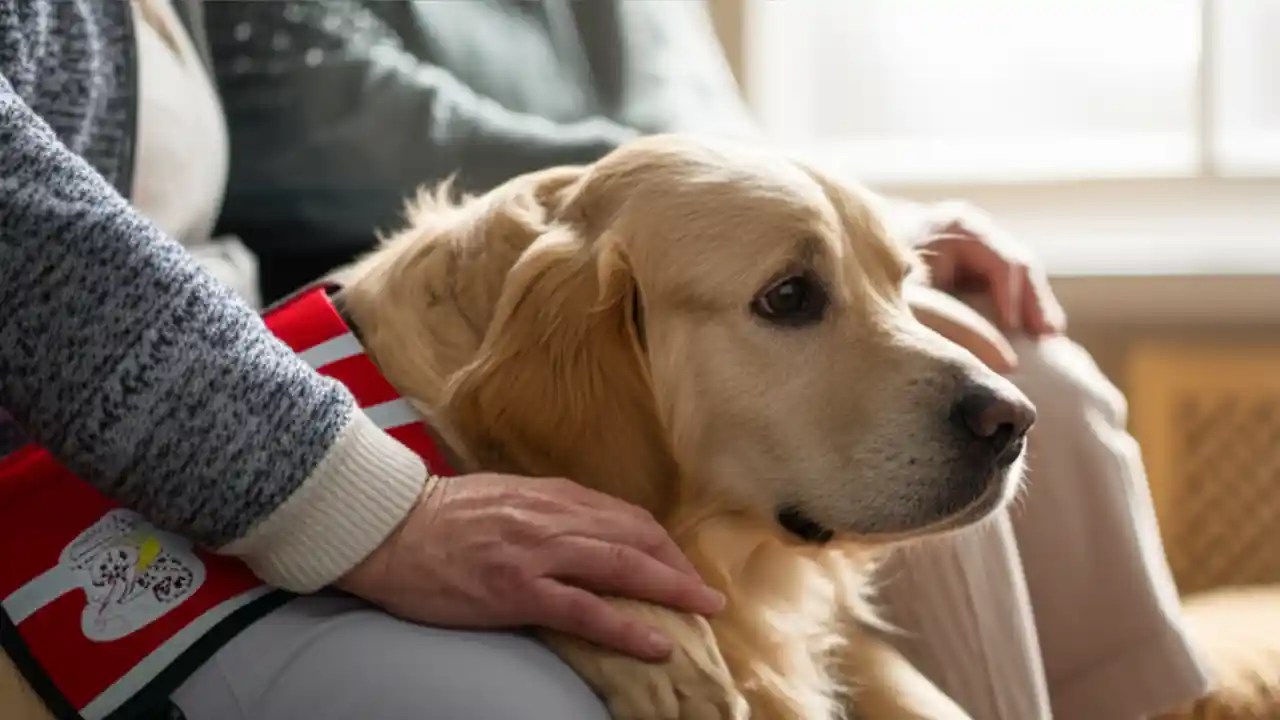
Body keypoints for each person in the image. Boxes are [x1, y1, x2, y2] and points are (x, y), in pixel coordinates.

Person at [0, 4, 1206, 720]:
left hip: (306, 349)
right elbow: (314, 117)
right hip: (162, 446)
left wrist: (846, 226)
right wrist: (376, 514)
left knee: (1020, 368)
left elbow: (693, 139)